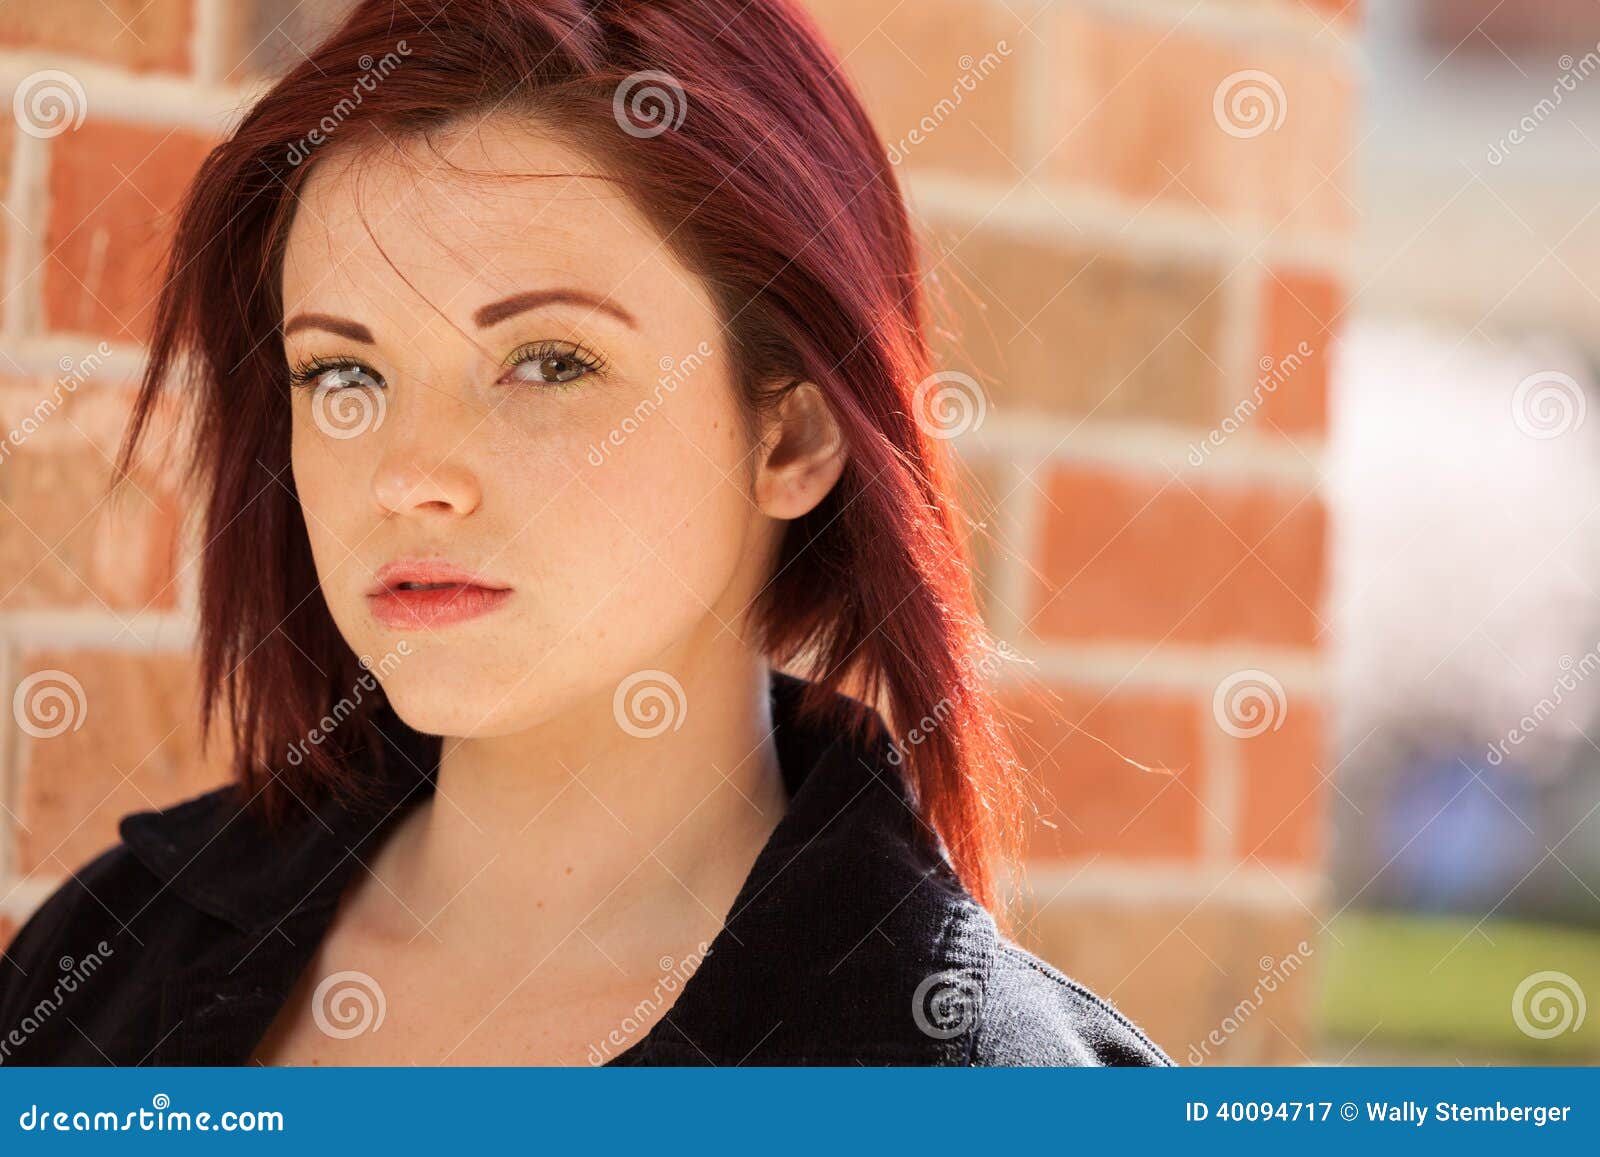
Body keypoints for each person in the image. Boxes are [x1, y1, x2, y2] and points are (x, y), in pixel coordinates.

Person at [0, 0, 1170, 1067]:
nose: (409, 477)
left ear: (791, 436)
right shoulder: (109, 954)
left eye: (550, 362)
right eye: (343, 372)